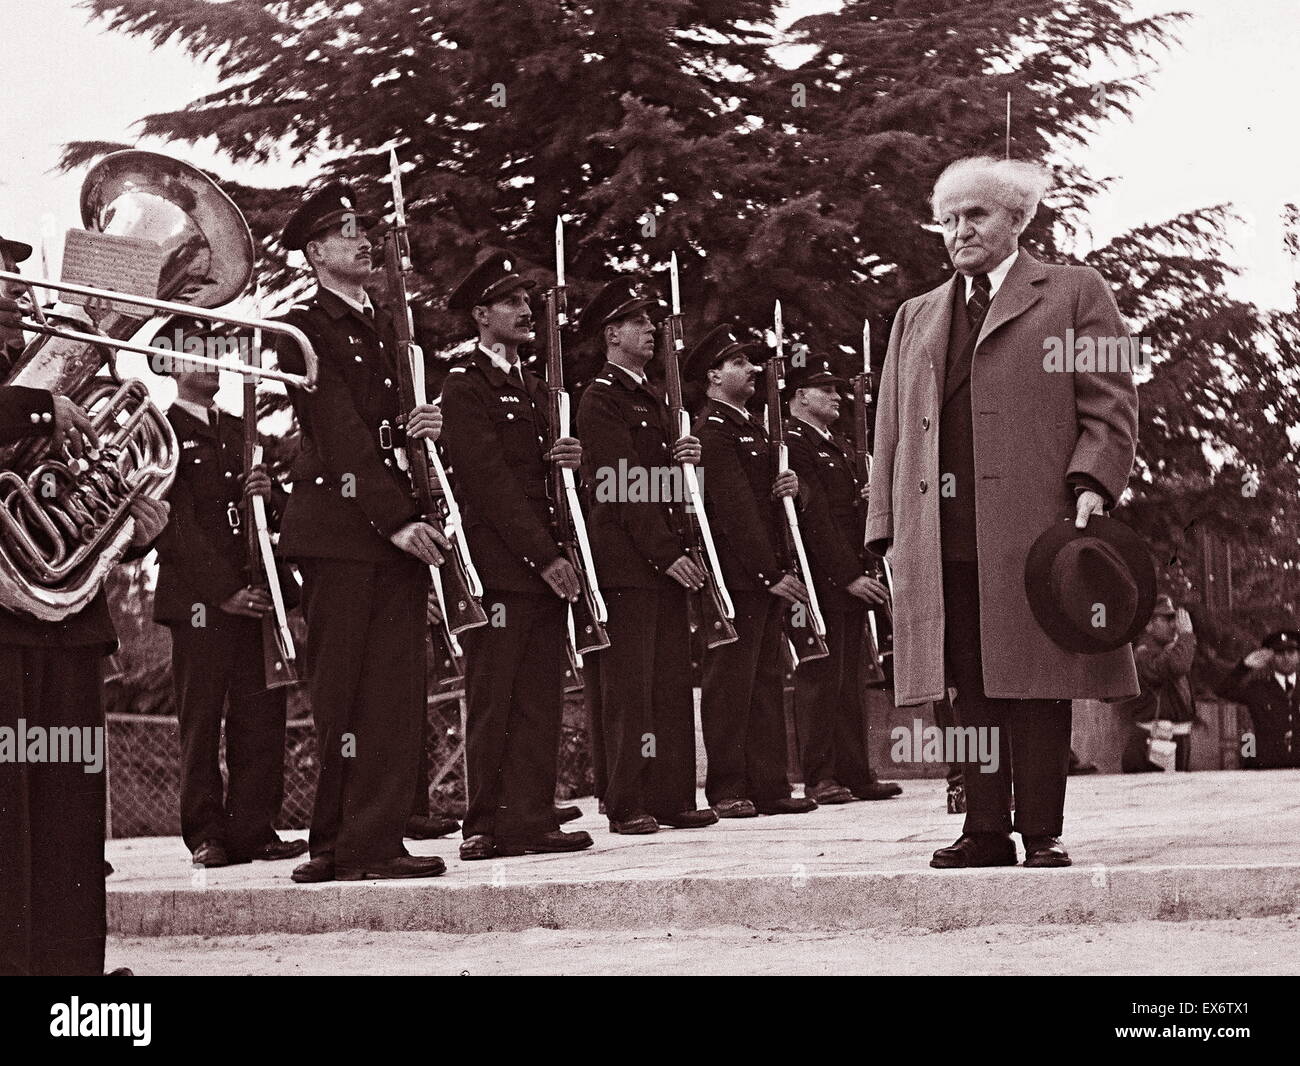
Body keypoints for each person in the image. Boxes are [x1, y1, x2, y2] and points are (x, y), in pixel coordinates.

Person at [866, 156, 1139, 869]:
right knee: (966, 683)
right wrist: (886, 530)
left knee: (1037, 682)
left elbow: (1111, 405)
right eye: (948, 219)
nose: (960, 230)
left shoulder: (1075, 292)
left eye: (975, 215)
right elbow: (889, 432)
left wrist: (1093, 484)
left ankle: (1041, 830)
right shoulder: (914, 316)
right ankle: (983, 829)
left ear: (1018, 219)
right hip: (941, 532)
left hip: (1038, 528)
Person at [1, 234, 170, 975]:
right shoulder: (38, 393)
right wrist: (38, 411)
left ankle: (71, 974)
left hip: (65, 626)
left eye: (13, 276)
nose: (12, 289)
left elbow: (71, 500)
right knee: (8, 812)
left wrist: (130, 529)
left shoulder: (53, 373)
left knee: (69, 810)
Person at [272, 183, 447, 883]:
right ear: (314, 253)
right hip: (346, 528)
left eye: (362, 229)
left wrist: (430, 426)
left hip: (387, 525)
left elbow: (391, 426)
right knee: (344, 693)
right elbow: (338, 434)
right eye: (344, 233)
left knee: (394, 692)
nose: (361, 240)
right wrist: (397, 518)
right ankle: (338, 843)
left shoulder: (388, 324)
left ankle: (368, 840)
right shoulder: (300, 330)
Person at [439, 251, 593, 859]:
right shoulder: (464, 384)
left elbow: (537, 482)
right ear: (481, 315)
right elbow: (488, 484)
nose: (526, 310)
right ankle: (483, 824)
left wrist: (567, 466)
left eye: (528, 301)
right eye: (511, 302)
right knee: (494, 695)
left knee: (537, 697)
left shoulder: (534, 387)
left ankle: (528, 818)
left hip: (540, 563)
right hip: (501, 567)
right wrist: (543, 557)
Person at [149, 315, 309, 867]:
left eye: (215, 350)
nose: (212, 359)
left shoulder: (241, 431)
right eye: (196, 351)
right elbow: (173, 523)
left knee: (261, 715)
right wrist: (221, 592)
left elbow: (274, 520)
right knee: (202, 718)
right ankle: (206, 834)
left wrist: (269, 495)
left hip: (255, 595)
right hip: (200, 602)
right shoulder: (161, 429)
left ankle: (254, 828)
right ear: (165, 364)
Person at [575, 280, 717, 834]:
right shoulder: (602, 397)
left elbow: (662, 487)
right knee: (630, 688)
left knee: (668, 685)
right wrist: (665, 555)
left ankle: (672, 794)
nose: (651, 330)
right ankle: (626, 799)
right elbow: (618, 483)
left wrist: (686, 463)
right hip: (628, 561)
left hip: (659, 557)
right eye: (638, 323)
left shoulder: (652, 398)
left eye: (651, 323)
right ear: (611, 334)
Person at [687, 325, 815, 817]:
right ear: (714, 376)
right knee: (731, 683)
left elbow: (763, 505)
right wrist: (767, 573)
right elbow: (733, 509)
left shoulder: (754, 427)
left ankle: (769, 784)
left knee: (763, 679)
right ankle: (727, 786)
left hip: (760, 573)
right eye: (739, 362)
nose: (752, 369)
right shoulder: (714, 430)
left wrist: (787, 485)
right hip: (736, 574)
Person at [784, 357, 901, 803]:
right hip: (821, 580)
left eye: (837, 389)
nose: (836, 396)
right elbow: (813, 520)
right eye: (824, 389)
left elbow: (846, 516)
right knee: (820, 676)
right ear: (800, 397)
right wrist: (848, 576)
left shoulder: (838, 445)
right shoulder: (794, 443)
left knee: (849, 679)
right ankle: (820, 776)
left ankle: (855, 771)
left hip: (849, 573)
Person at [1120, 594, 1197, 772]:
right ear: (1148, 624)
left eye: (1174, 618)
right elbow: (1178, 666)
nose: (1174, 624)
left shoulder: (1169, 651)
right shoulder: (1142, 654)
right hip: (1151, 745)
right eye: (1167, 618)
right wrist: (1186, 636)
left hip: (1172, 742)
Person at [1216, 628, 1300, 769]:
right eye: (1279, 653)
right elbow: (1223, 691)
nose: (1286, 657)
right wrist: (1244, 667)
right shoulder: (1258, 689)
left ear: (1299, 656)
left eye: (1291, 652)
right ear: (1270, 657)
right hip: (1267, 769)